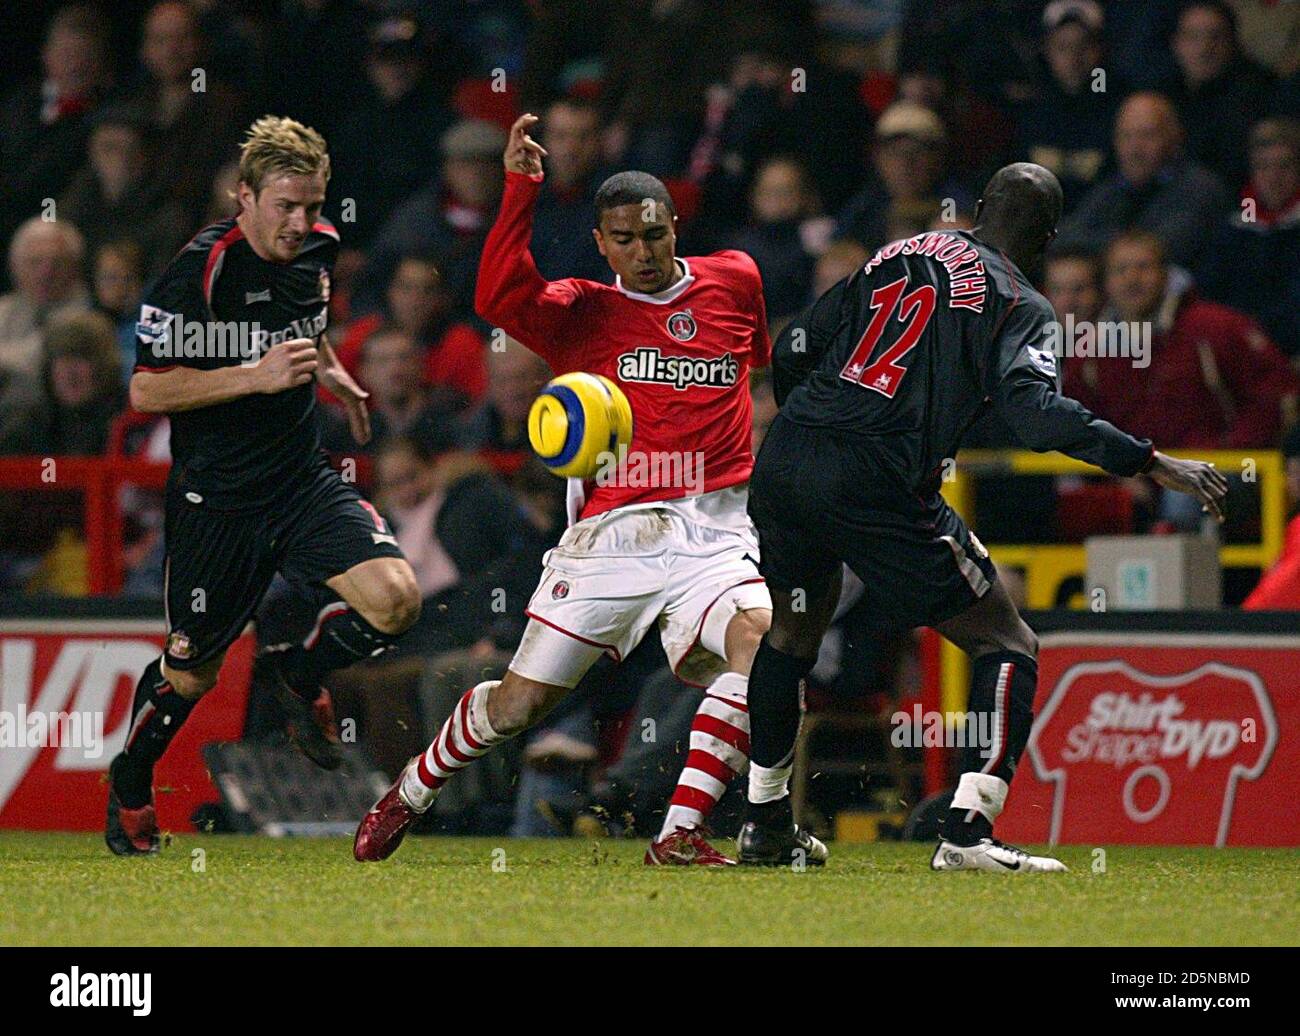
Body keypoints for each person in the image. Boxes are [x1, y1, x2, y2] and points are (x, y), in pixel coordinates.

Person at [737, 163, 1228, 871]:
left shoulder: (897, 252)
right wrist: (1150, 460)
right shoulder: (1020, 300)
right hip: (877, 473)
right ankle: (968, 831)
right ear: (1047, 238)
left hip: (790, 456)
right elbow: (1037, 416)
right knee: (1007, 639)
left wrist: (816, 423)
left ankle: (764, 824)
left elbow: (795, 348)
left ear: (982, 207)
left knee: (789, 635)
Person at [355, 113, 774, 867]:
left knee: (761, 653)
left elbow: (759, 373)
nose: (642, 252)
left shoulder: (738, 280)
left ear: (675, 225)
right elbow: (495, 295)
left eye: (655, 234)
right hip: (614, 534)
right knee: (520, 704)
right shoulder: (582, 311)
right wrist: (520, 188)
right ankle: (412, 790)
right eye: (625, 239)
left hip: (714, 532)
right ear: (602, 243)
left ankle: (679, 832)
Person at [104, 116, 422, 856]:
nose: (301, 221)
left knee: (397, 600)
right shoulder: (199, 273)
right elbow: (147, 391)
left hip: (299, 481)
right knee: (189, 677)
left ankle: (295, 669)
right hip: (217, 503)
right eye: (285, 205)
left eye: (313, 204)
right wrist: (255, 375)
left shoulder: (319, 248)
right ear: (243, 195)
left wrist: (331, 369)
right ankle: (130, 779)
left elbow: (303, 326)